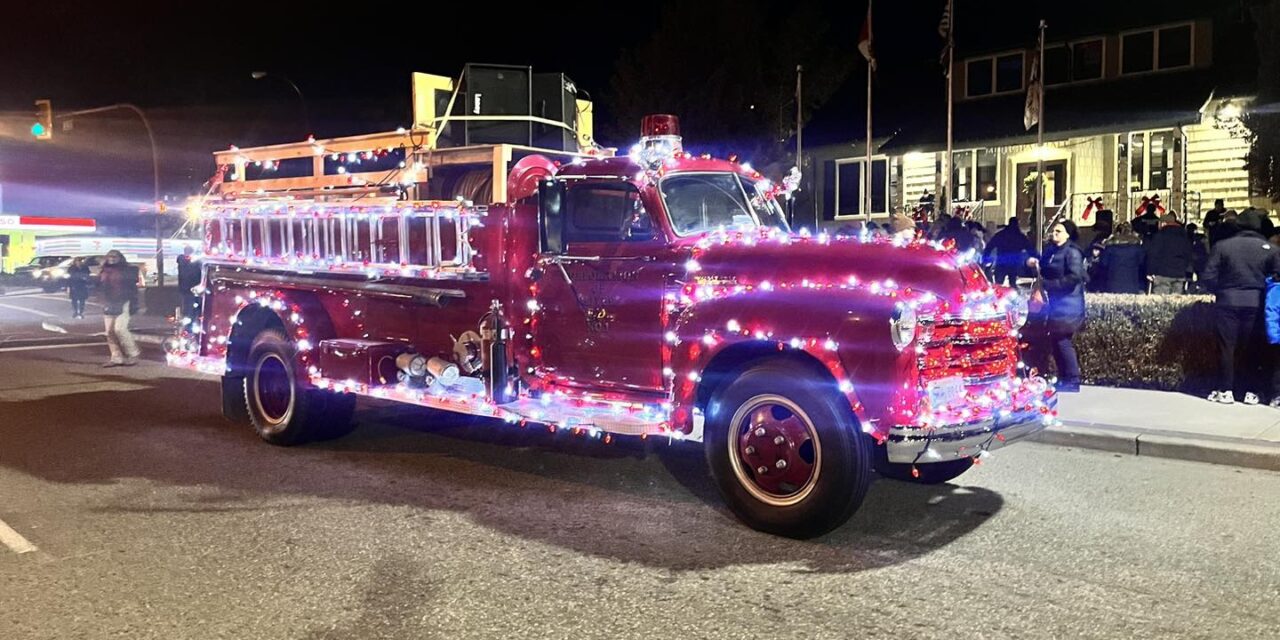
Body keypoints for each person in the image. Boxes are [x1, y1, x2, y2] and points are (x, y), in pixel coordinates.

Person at [1201, 210, 1280, 406]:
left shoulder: (1223, 246)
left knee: (1226, 347)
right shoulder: (1271, 249)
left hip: (1227, 302)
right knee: (1253, 348)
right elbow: (1277, 278)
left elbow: (1208, 277)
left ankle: (1226, 389)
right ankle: (1250, 391)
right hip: (1257, 303)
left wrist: (1222, 291)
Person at [1026, 220, 1086, 392]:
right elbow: (1043, 269)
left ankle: (1072, 379)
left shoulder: (1072, 252)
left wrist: (1051, 285)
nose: (1054, 233)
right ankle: (1064, 378)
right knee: (1056, 341)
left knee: (1062, 341)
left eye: (1059, 231)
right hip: (1056, 304)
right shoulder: (1052, 251)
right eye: (1054, 231)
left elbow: (1074, 277)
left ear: (1068, 234)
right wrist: (1032, 264)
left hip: (1069, 305)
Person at [97, 250, 141, 367]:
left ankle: (133, 353)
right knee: (110, 332)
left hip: (124, 301)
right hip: (109, 302)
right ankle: (116, 357)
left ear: (120, 258)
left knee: (120, 329)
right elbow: (99, 286)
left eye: (115, 256)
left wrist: (134, 303)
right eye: (110, 256)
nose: (112, 258)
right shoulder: (104, 270)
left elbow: (132, 288)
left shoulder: (127, 270)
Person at [1145, 213, 1193, 294]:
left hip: (1162, 273)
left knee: (1161, 303)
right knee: (1177, 303)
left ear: (1163, 223)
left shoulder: (1159, 236)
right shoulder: (1184, 236)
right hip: (1179, 274)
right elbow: (1188, 255)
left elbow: (1153, 255)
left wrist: (1150, 271)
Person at [1096, 223, 1146, 294]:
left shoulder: (1110, 249)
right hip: (1132, 284)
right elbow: (1142, 264)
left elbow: (1103, 265)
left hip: (1112, 284)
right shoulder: (1137, 249)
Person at [983, 217, 1033, 287]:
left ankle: (998, 296)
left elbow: (990, 246)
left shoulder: (1001, 234)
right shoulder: (1020, 236)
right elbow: (1029, 247)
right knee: (1012, 283)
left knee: (998, 284)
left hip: (1002, 262)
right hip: (1014, 263)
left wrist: (985, 256)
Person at [176, 245, 202, 320]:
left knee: (186, 305)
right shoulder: (193, 262)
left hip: (185, 287)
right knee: (191, 305)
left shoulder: (181, 260)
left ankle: (188, 318)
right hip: (192, 287)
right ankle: (191, 318)